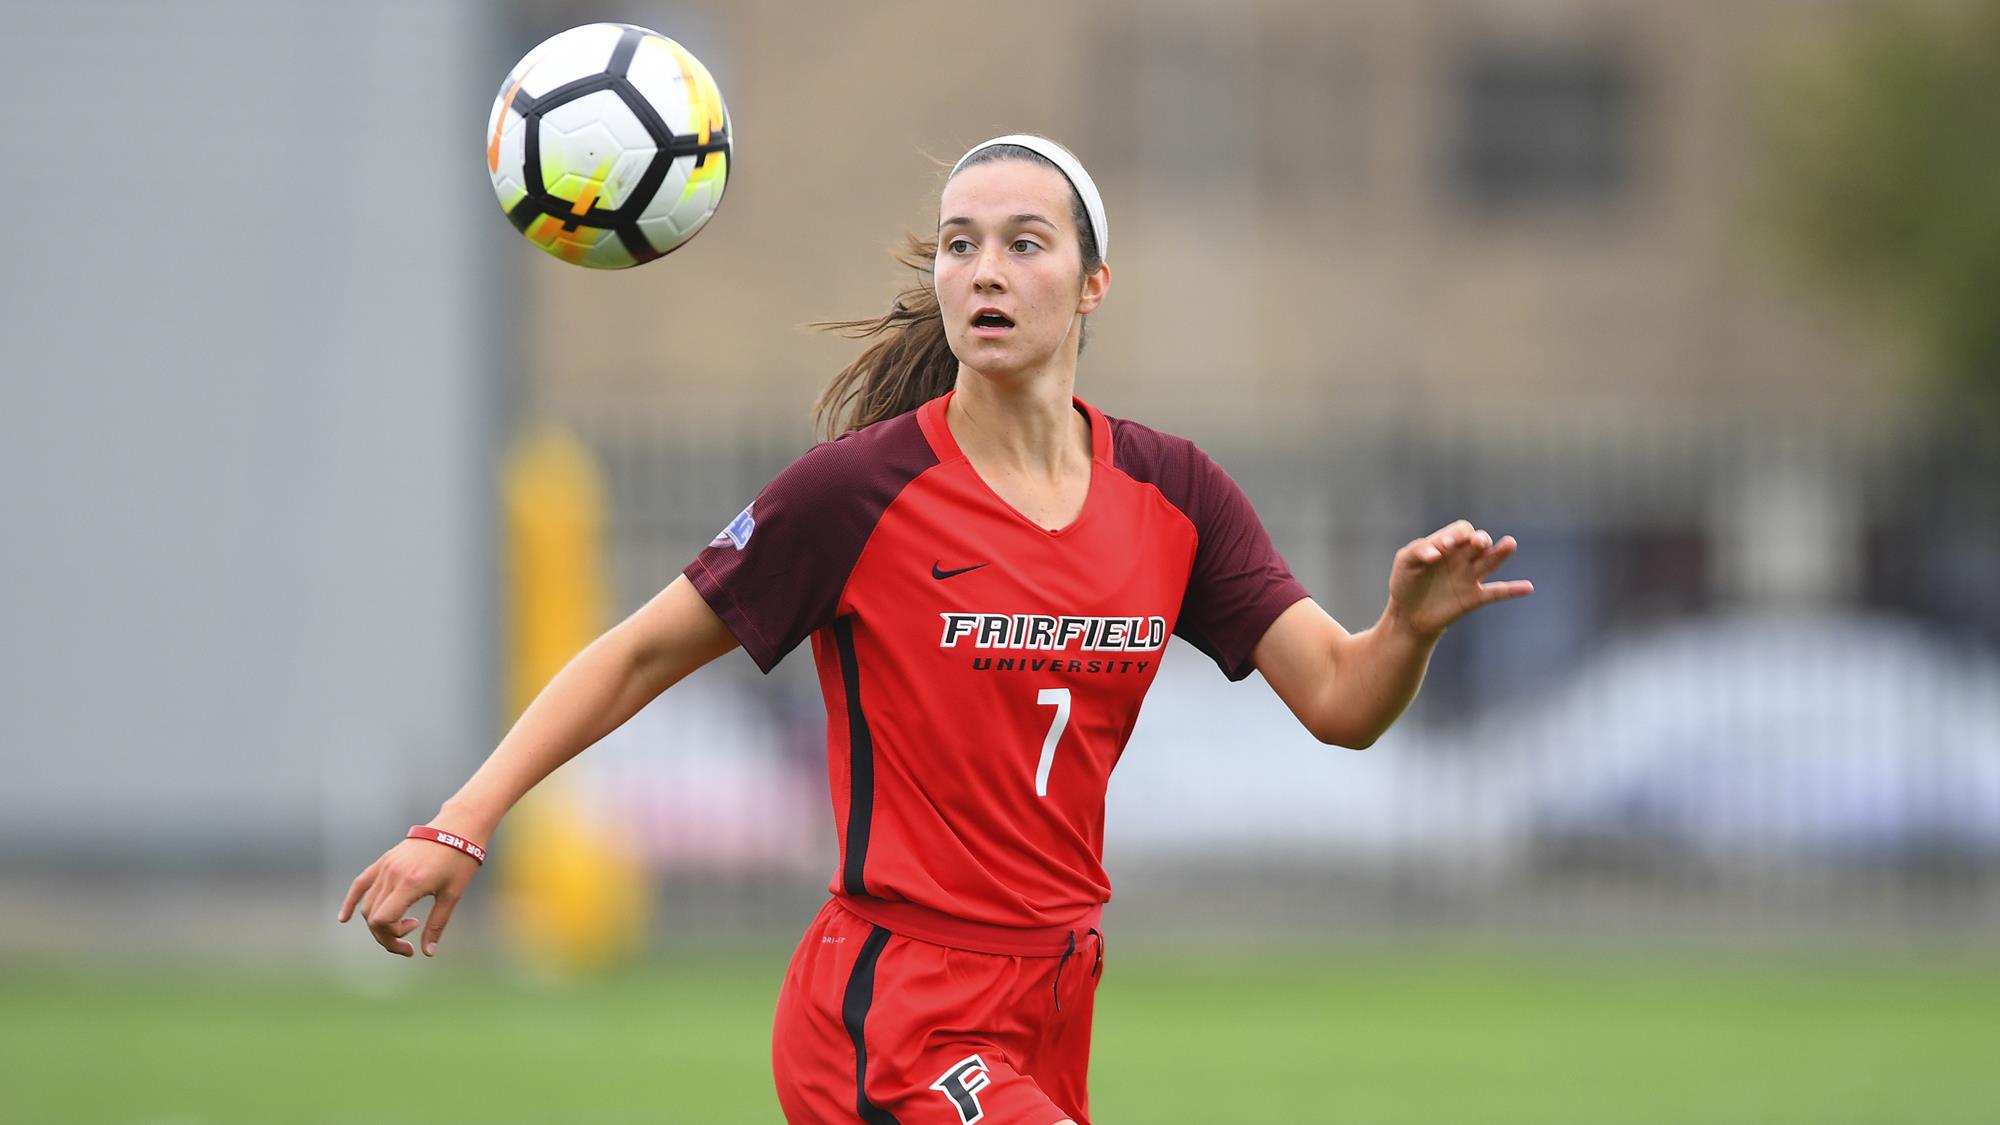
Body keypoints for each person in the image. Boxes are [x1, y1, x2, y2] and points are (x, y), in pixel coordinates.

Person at [339, 133, 1532, 1125]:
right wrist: (461, 822)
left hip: (1055, 991)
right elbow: (638, 653)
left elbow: (1339, 704)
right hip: (892, 1006)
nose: (983, 272)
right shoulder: (854, 494)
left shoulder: (1173, 495)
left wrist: (1405, 629)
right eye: (960, 245)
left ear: (1093, 283)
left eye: (1024, 244)